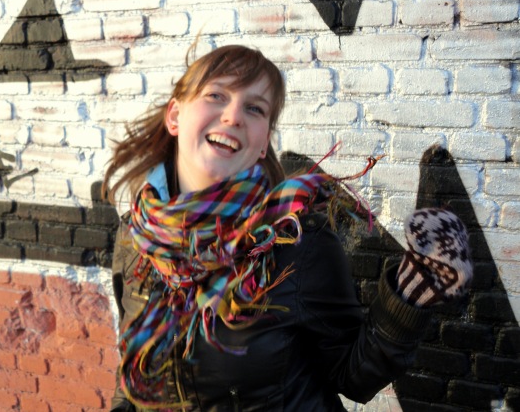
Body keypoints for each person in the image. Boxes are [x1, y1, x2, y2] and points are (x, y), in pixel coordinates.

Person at [102, 44, 473, 411]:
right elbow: (133, 373)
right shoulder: (133, 236)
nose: (233, 116)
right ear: (175, 116)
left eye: (254, 108)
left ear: (264, 142)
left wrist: (410, 292)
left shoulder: (298, 241)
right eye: (216, 95)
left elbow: (354, 376)